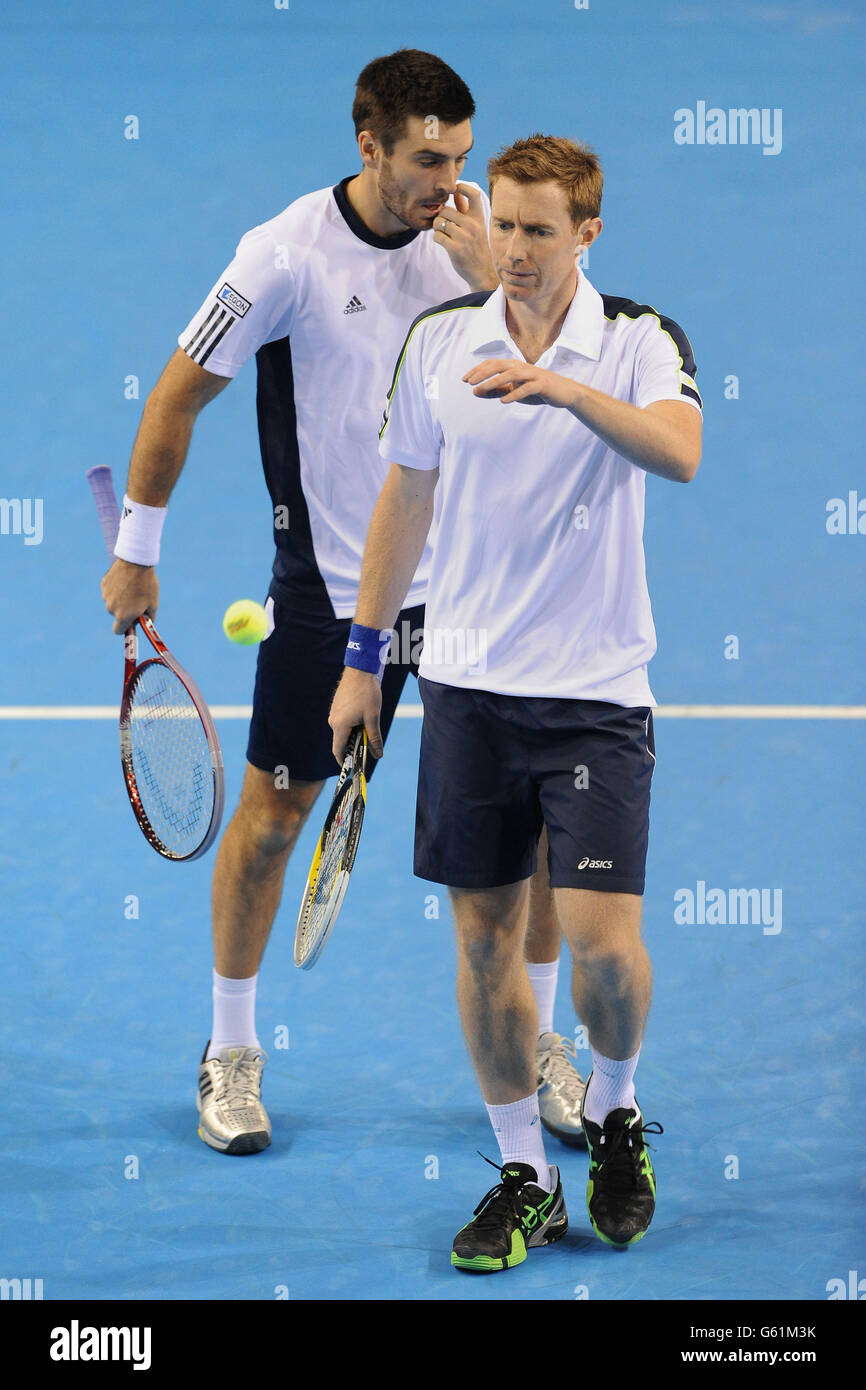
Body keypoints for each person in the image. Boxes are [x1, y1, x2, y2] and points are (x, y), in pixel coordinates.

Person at [98, 52, 586, 1156]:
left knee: (543, 826)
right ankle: (229, 1048)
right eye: (427, 162)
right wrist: (138, 549)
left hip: (476, 587)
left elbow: (562, 386)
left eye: (461, 160)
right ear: (367, 147)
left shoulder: (482, 240)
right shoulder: (283, 258)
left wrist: (489, 288)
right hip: (333, 594)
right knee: (275, 816)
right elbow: (179, 390)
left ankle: (543, 1038)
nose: (448, 185)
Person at [329, 133, 702, 1270]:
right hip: (468, 693)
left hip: (591, 696)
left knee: (600, 955)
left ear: (585, 233)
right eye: (505, 226)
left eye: (541, 230)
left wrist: (561, 387)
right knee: (485, 942)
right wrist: (361, 657)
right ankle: (524, 1177)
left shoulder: (636, 340)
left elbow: (679, 452)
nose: (518, 250)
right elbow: (405, 498)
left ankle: (617, 1108)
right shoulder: (440, 341)